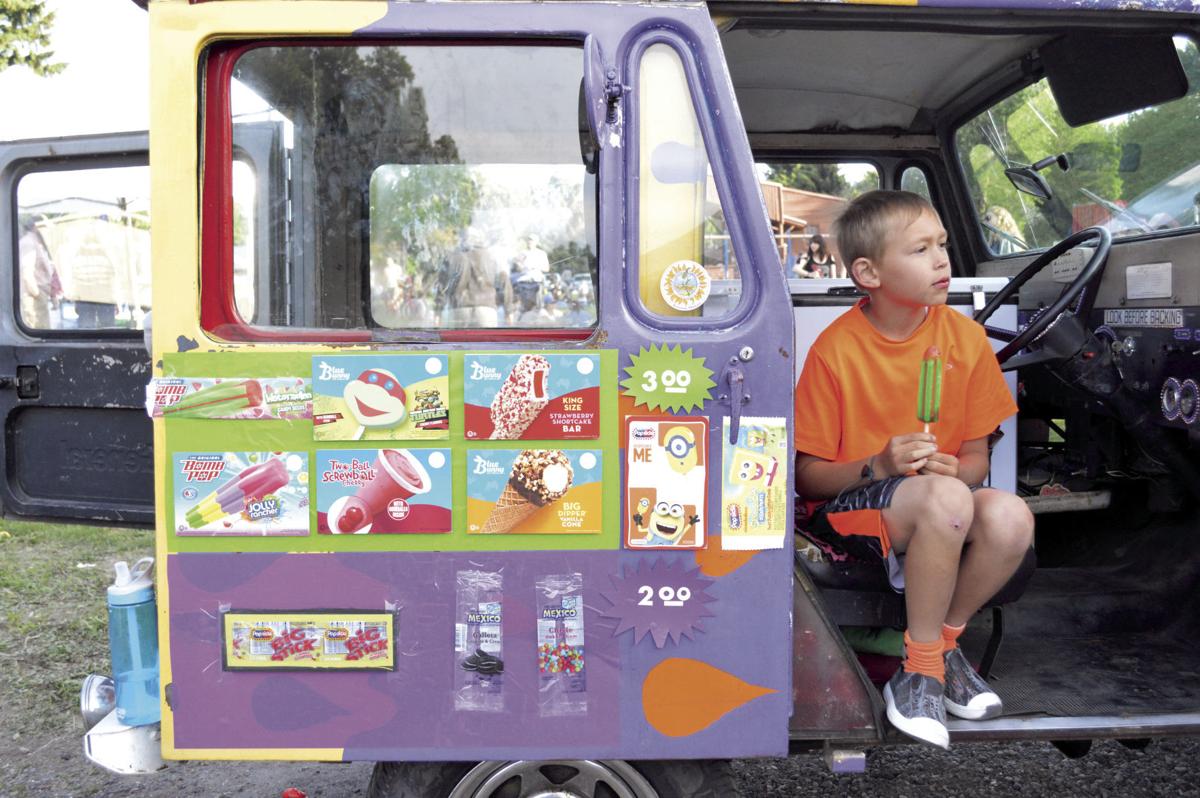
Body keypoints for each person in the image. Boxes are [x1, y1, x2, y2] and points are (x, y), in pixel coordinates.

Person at [794, 190, 1034, 749]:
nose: (941, 260)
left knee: (1011, 518)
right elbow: (807, 477)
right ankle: (924, 669)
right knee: (945, 501)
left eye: (943, 246)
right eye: (921, 249)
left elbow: (976, 460)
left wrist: (958, 469)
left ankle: (938, 650)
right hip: (847, 513)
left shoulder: (965, 340)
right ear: (868, 272)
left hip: (938, 503)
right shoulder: (835, 352)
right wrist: (877, 464)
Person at [443, 228, 512, 327]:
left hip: (460, 308)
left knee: (459, 342)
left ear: (462, 239)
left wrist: (438, 309)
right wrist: (508, 311)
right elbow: (504, 280)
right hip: (486, 309)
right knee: (486, 342)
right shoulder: (491, 256)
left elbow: (442, 283)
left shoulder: (454, 256)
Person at [18, 218, 63, 329]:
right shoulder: (28, 243)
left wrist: (51, 295)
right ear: (36, 227)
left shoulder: (37, 243)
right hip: (33, 300)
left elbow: (44, 273)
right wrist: (38, 294)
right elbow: (27, 274)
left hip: (40, 297)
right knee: (38, 332)